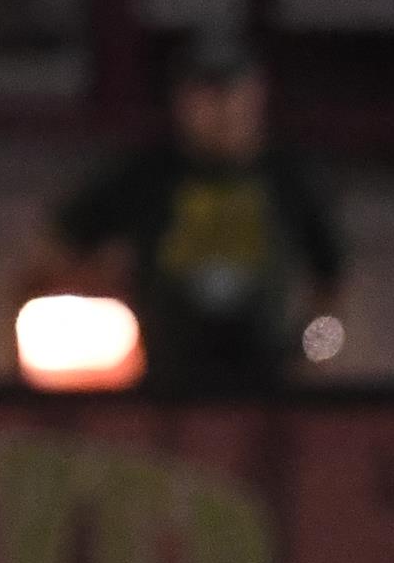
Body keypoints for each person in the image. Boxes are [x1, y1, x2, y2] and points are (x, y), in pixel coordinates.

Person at [46, 32, 345, 392]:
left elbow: (332, 281)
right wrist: (114, 302)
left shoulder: (289, 176)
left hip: (266, 385)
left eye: (231, 90)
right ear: (180, 100)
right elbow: (58, 248)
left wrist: (312, 356)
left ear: (257, 93)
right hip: (165, 384)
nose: (220, 107)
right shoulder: (147, 173)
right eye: (204, 93)